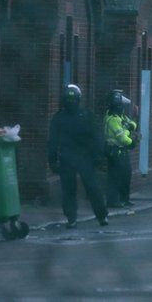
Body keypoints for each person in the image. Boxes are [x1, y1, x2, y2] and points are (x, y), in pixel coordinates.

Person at [47, 84, 109, 228]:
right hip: (84, 157)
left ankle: (72, 218)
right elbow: (97, 137)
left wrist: (52, 159)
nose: (71, 102)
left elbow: (52, 141)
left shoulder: (59, 118)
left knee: (70, 190)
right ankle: (101, 217)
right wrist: (98, 155)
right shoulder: (86, 115)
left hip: (68, 157)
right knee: (92, 188)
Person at [103, 90, 137, 208]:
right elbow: (121, 136)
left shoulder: (120, 116)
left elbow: (132, 123)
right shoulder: (112, 119)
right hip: (114, 151)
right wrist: (131, 141)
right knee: (115, 177)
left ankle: (124, 199)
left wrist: (130, 126)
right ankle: (113, 201)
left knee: (126, 175)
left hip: (122, 152)